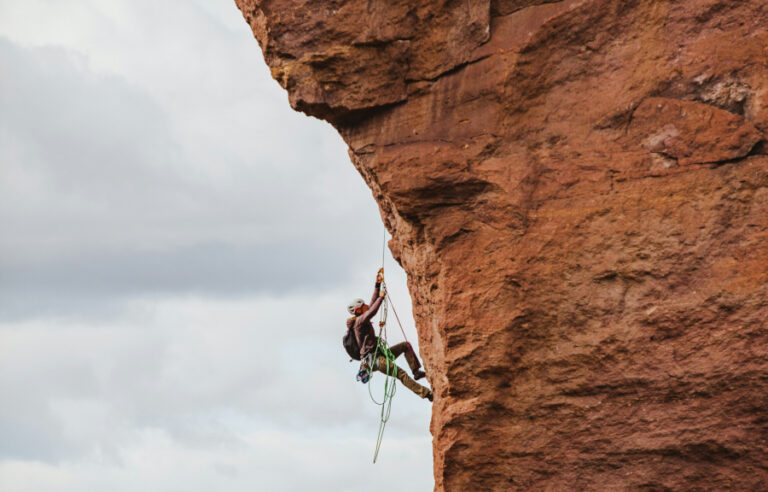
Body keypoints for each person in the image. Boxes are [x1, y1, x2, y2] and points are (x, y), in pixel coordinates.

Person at [345, 269, 433, 402]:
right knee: (401, 374)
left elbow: (371, 305)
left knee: (405, 346)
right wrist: (381, 297)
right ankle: (426, 394)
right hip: (375, 360)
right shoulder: (359, 322)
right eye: (364, 306)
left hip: (379, 355)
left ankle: (416, 372)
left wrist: (377, 285)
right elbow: (372, 311)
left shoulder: (360, 318)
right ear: (358, 310)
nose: (367, 305)